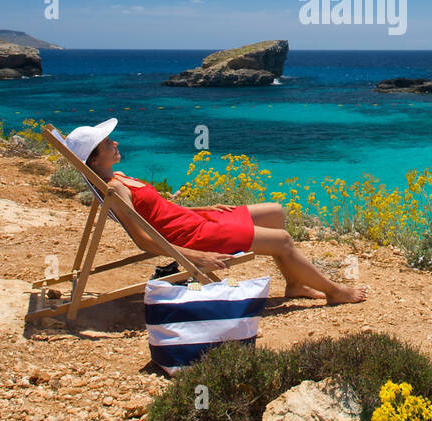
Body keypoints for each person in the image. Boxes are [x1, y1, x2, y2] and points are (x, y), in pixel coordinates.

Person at [63, 119, 367, 305]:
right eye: (107, 143)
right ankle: (334, 291)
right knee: (283, 240)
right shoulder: (116, 190)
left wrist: (205, 207)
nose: (115, 142)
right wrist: (195, 257)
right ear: (94, 157)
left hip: (194, 219)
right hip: (193, 235)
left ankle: (295, 283)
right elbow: (144, 239)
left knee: (275, 211)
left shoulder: (120, 177)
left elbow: (161, 210)